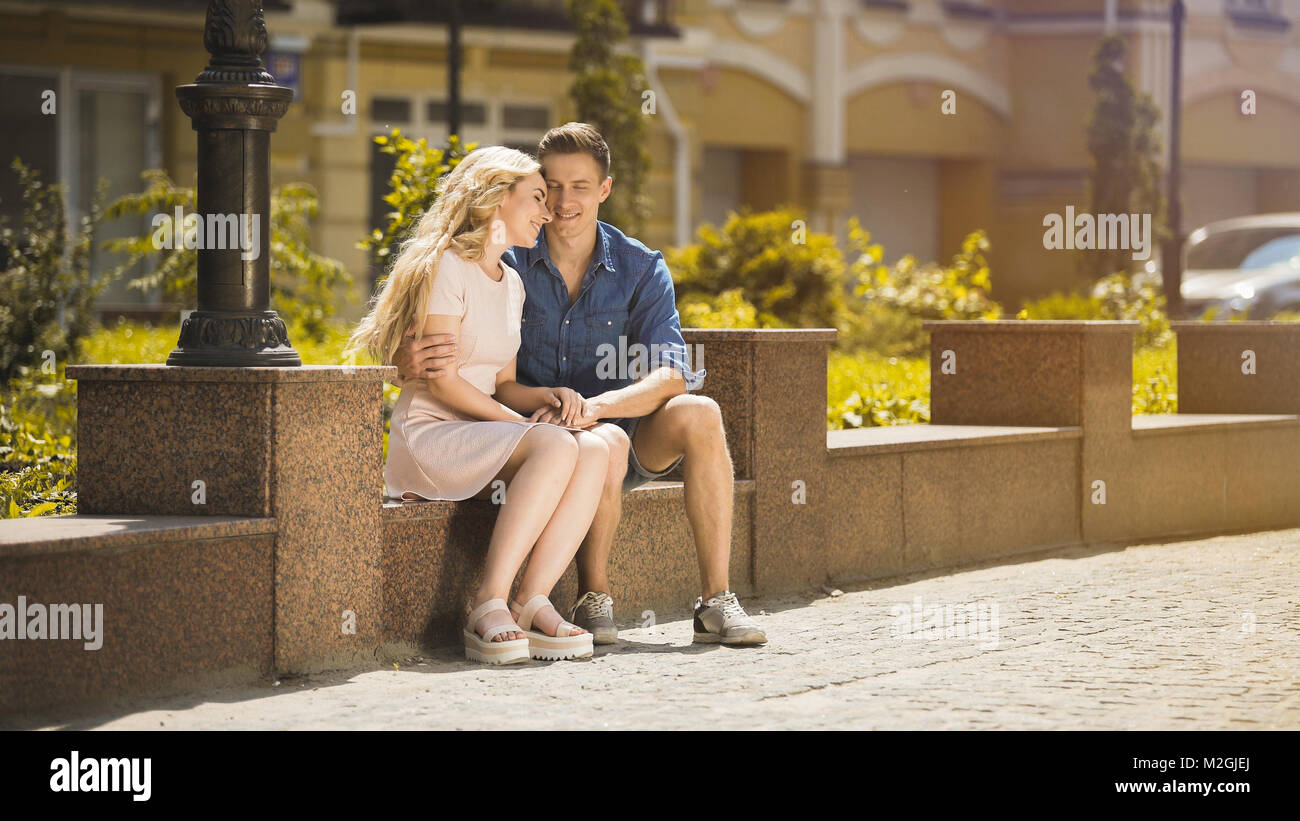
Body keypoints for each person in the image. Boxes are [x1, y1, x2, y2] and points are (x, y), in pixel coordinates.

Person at [393, 123, 766, 646]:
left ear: (604, 190)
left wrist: (599, 405)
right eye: (551, 187)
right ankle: (592, 597)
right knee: (595, 443)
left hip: (610, 428)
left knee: (699, 412)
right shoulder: (507, 253)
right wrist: (404, 355)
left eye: (580, 187)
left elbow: (673, 371)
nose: (563, 202)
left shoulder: (638, 267)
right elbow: (430, 329)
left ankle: (716, 601)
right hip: (530, 432)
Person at [347, 145, 620, 665]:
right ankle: (487, 602)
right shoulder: (448, 267)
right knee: (557, 446)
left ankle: (530, 600)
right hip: (431, 435)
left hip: (479, 435)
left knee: (593, 450)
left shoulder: (511, 282)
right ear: (496, 200)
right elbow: (443, 383)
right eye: (536, 197)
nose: (547, 212)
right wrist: (523, 427)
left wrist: (547, 397)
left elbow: (503, 383)